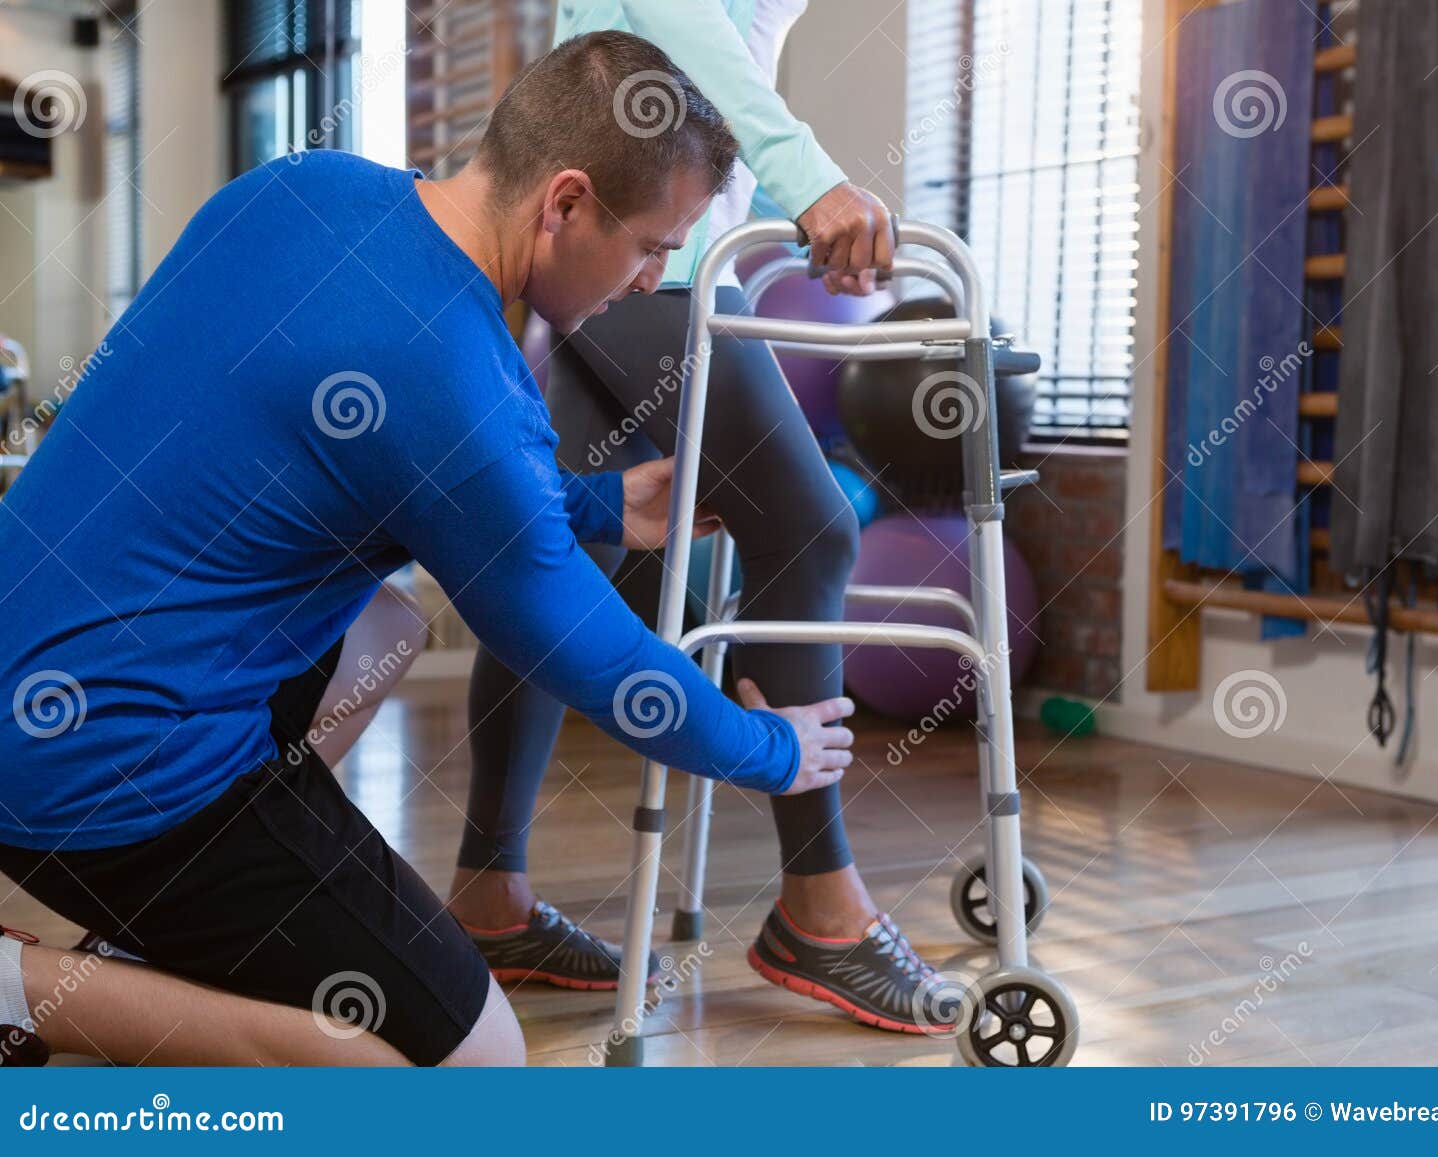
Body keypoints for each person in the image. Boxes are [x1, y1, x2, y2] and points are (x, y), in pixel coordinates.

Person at [0, 31, 856, 1068]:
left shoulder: (302, 188)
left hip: (39, 680)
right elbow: (598, 664)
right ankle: (26, 981)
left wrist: (594, 505)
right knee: (470, 1062)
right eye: (650, 245)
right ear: (566, 203)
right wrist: (774, 750)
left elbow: (386, 468)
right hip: (104, 768)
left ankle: (150, 926)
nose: (651, 280)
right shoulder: (458, 381)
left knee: (383, 622)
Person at [448, 0, 944, 1033]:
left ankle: (490, 895)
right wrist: (811, 183)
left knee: (554, 548)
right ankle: (819, 904)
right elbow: (683, 28)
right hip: (649, 257)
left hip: (639, 245)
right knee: (813, 530)